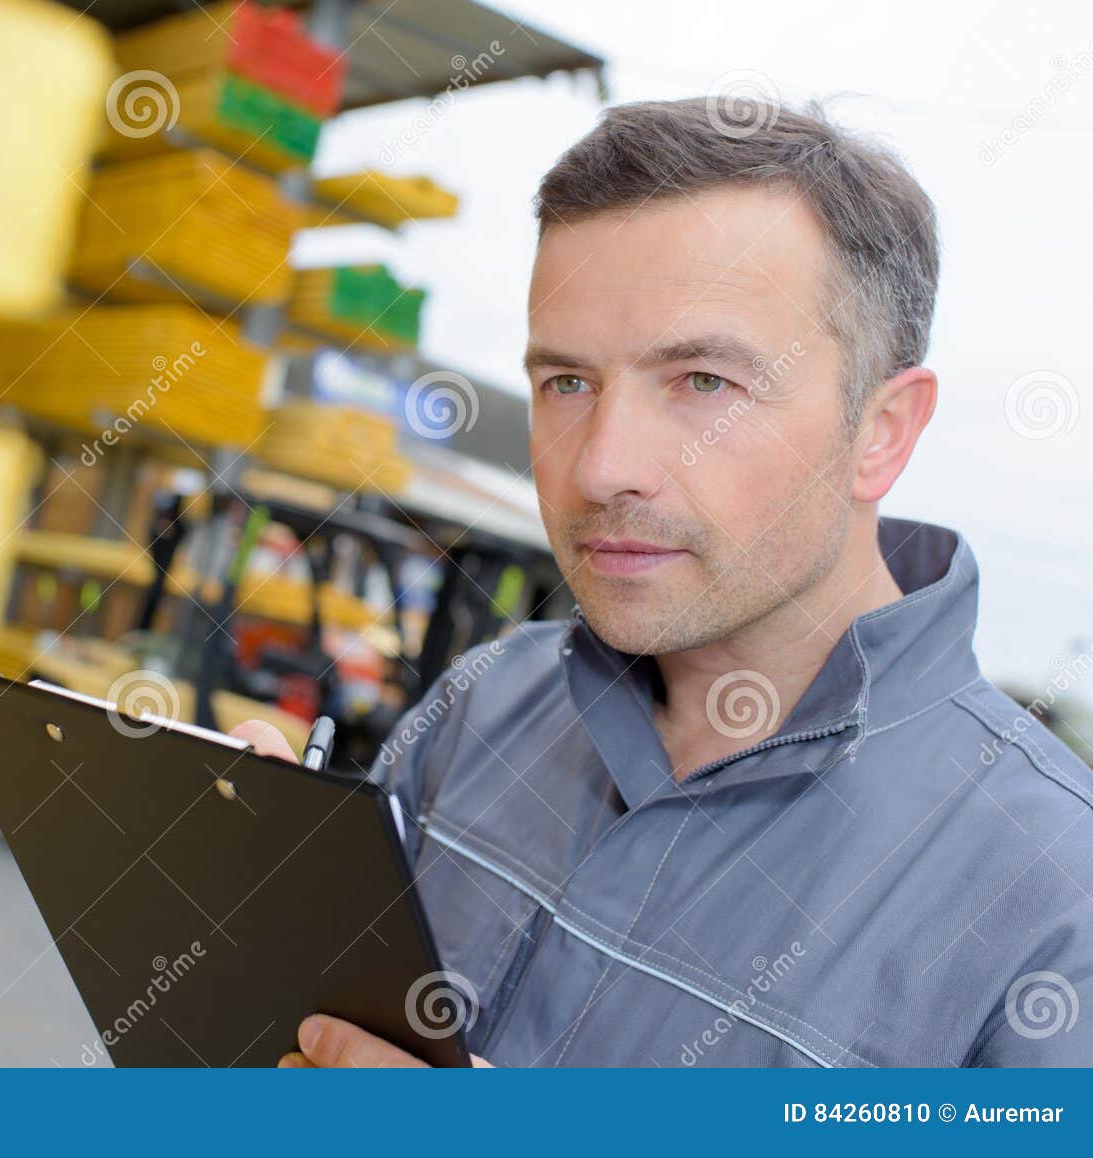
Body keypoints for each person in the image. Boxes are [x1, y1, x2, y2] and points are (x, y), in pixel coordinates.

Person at [236, 97, 1093, 1067]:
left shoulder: (1057, 915)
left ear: (881, 432)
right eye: (566, 382)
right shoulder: (484, 705)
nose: (602, 467)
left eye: (702, 384)